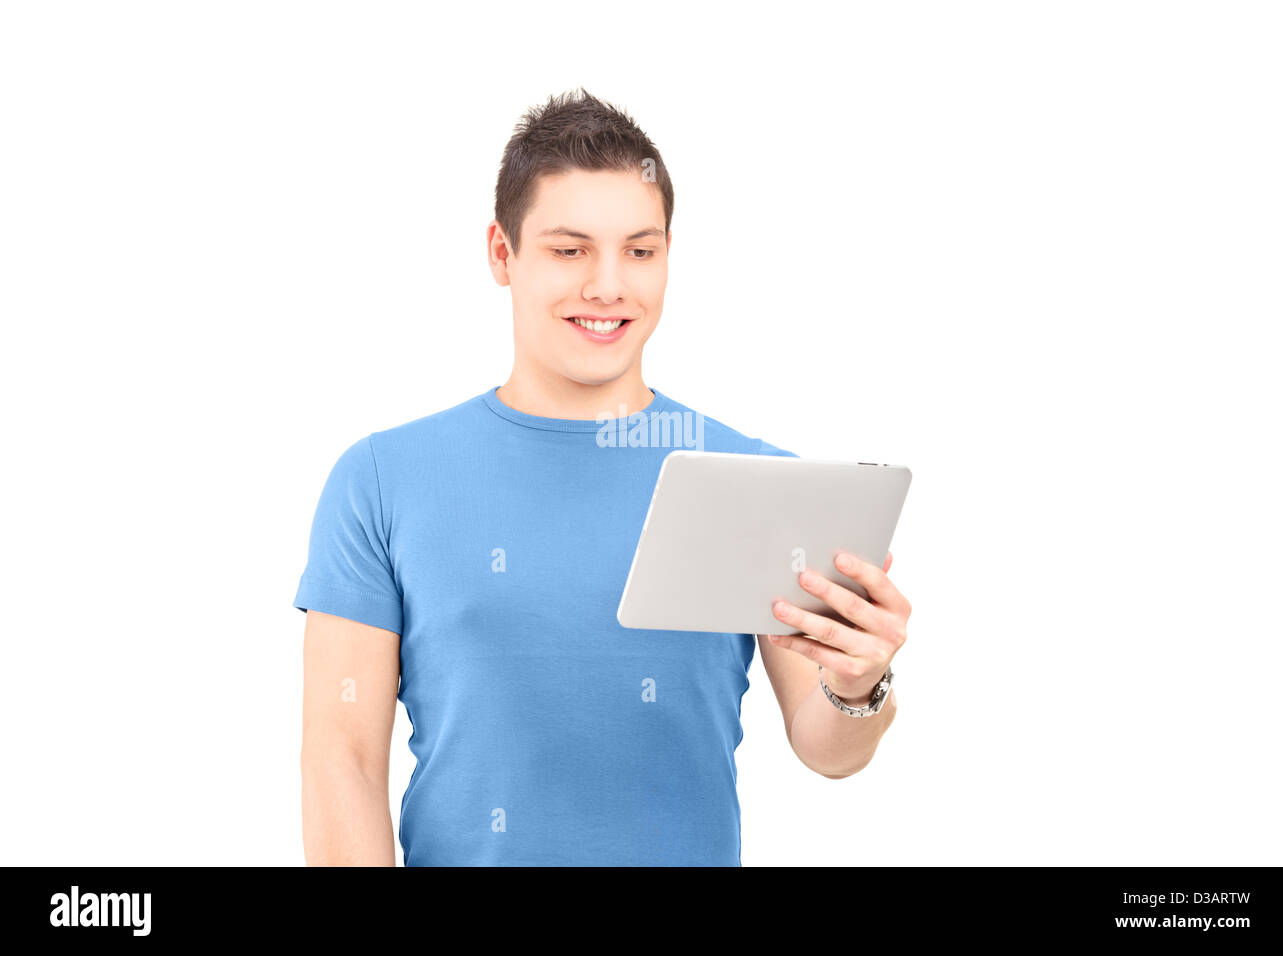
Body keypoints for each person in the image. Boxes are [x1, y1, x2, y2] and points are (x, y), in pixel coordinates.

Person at [293, 87, 911, 866]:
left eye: (640, 251)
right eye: (569, 248)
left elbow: (828, 750)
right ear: (500, 252)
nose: (609, 285)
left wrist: (860, 686)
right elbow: (341, 759)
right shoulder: (380, 482)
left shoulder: (753, 483)